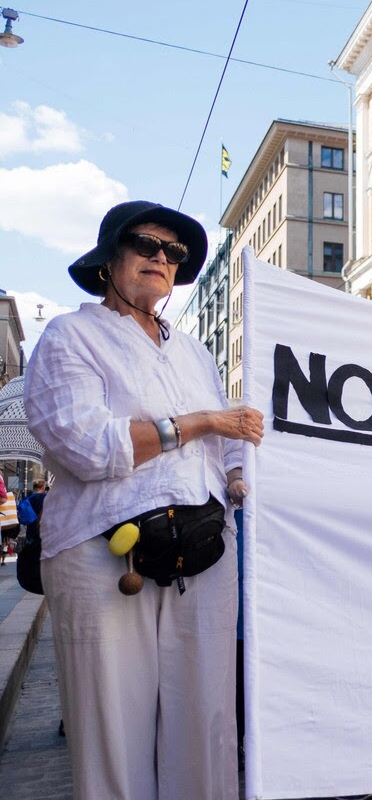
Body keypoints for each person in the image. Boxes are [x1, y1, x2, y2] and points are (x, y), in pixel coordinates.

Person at [25, 200, 265, 799]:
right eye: (146, 244)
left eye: (175, 252)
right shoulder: (70, 336)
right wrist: (204, 421)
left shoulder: (196, 354)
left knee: (208, 722)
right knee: (114, 729)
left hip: (204, 549)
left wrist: (238, 474)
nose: (162, 258)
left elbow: (225, 450)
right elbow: (86, 444)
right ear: (109, 259)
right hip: (105, 552)